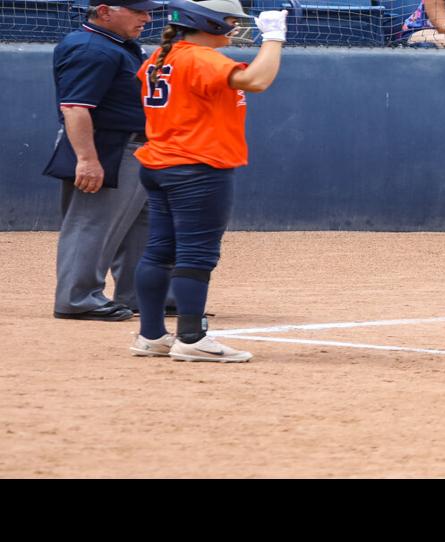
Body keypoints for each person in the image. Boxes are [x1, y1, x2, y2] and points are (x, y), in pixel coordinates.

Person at [127, 0, 288, 362]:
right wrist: (274, 39)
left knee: (159, 251)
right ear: (207, 22)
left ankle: (151, 336)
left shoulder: (162, 57)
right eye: (230, 21)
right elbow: (257, 80)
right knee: (196, 254)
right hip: (197, 166)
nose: (234, 27)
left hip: (161, 164)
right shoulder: (199, 57)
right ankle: (191, 339)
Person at [45, 0, 164, 322]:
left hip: (131, 147)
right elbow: (75, 107)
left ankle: (140, 294)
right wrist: (87, 159)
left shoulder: (117, 44)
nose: (147, 18)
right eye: (138, 11)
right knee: (92, 222)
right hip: (106, 146)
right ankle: (77, 298)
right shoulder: (90, 48)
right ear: (104, 11)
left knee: (142, 224)